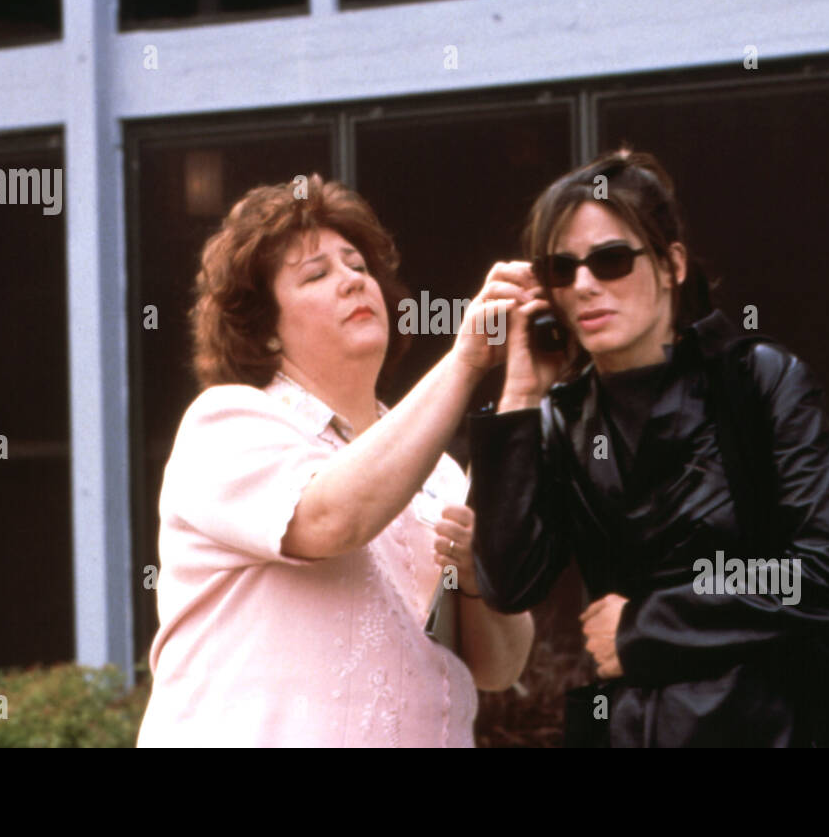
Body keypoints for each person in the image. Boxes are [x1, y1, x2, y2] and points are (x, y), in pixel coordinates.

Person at [467, 149, 829, 747]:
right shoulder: (561, 416)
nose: (585, 286)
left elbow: (827, 573)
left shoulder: (757, 382)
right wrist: (521, 390)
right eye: (561, 268)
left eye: (610, 260)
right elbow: (508, 583)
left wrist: (644, 628)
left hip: (765, 728)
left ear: (671, 264)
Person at [136, 173, 533, 747]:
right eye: (317, 275)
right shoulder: (226, 423)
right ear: (264, 331)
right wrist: (466, 361)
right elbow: (331, 519)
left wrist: (475, 583)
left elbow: (500, 668)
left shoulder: (440, 472)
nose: (352, 281)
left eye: (358, 266)